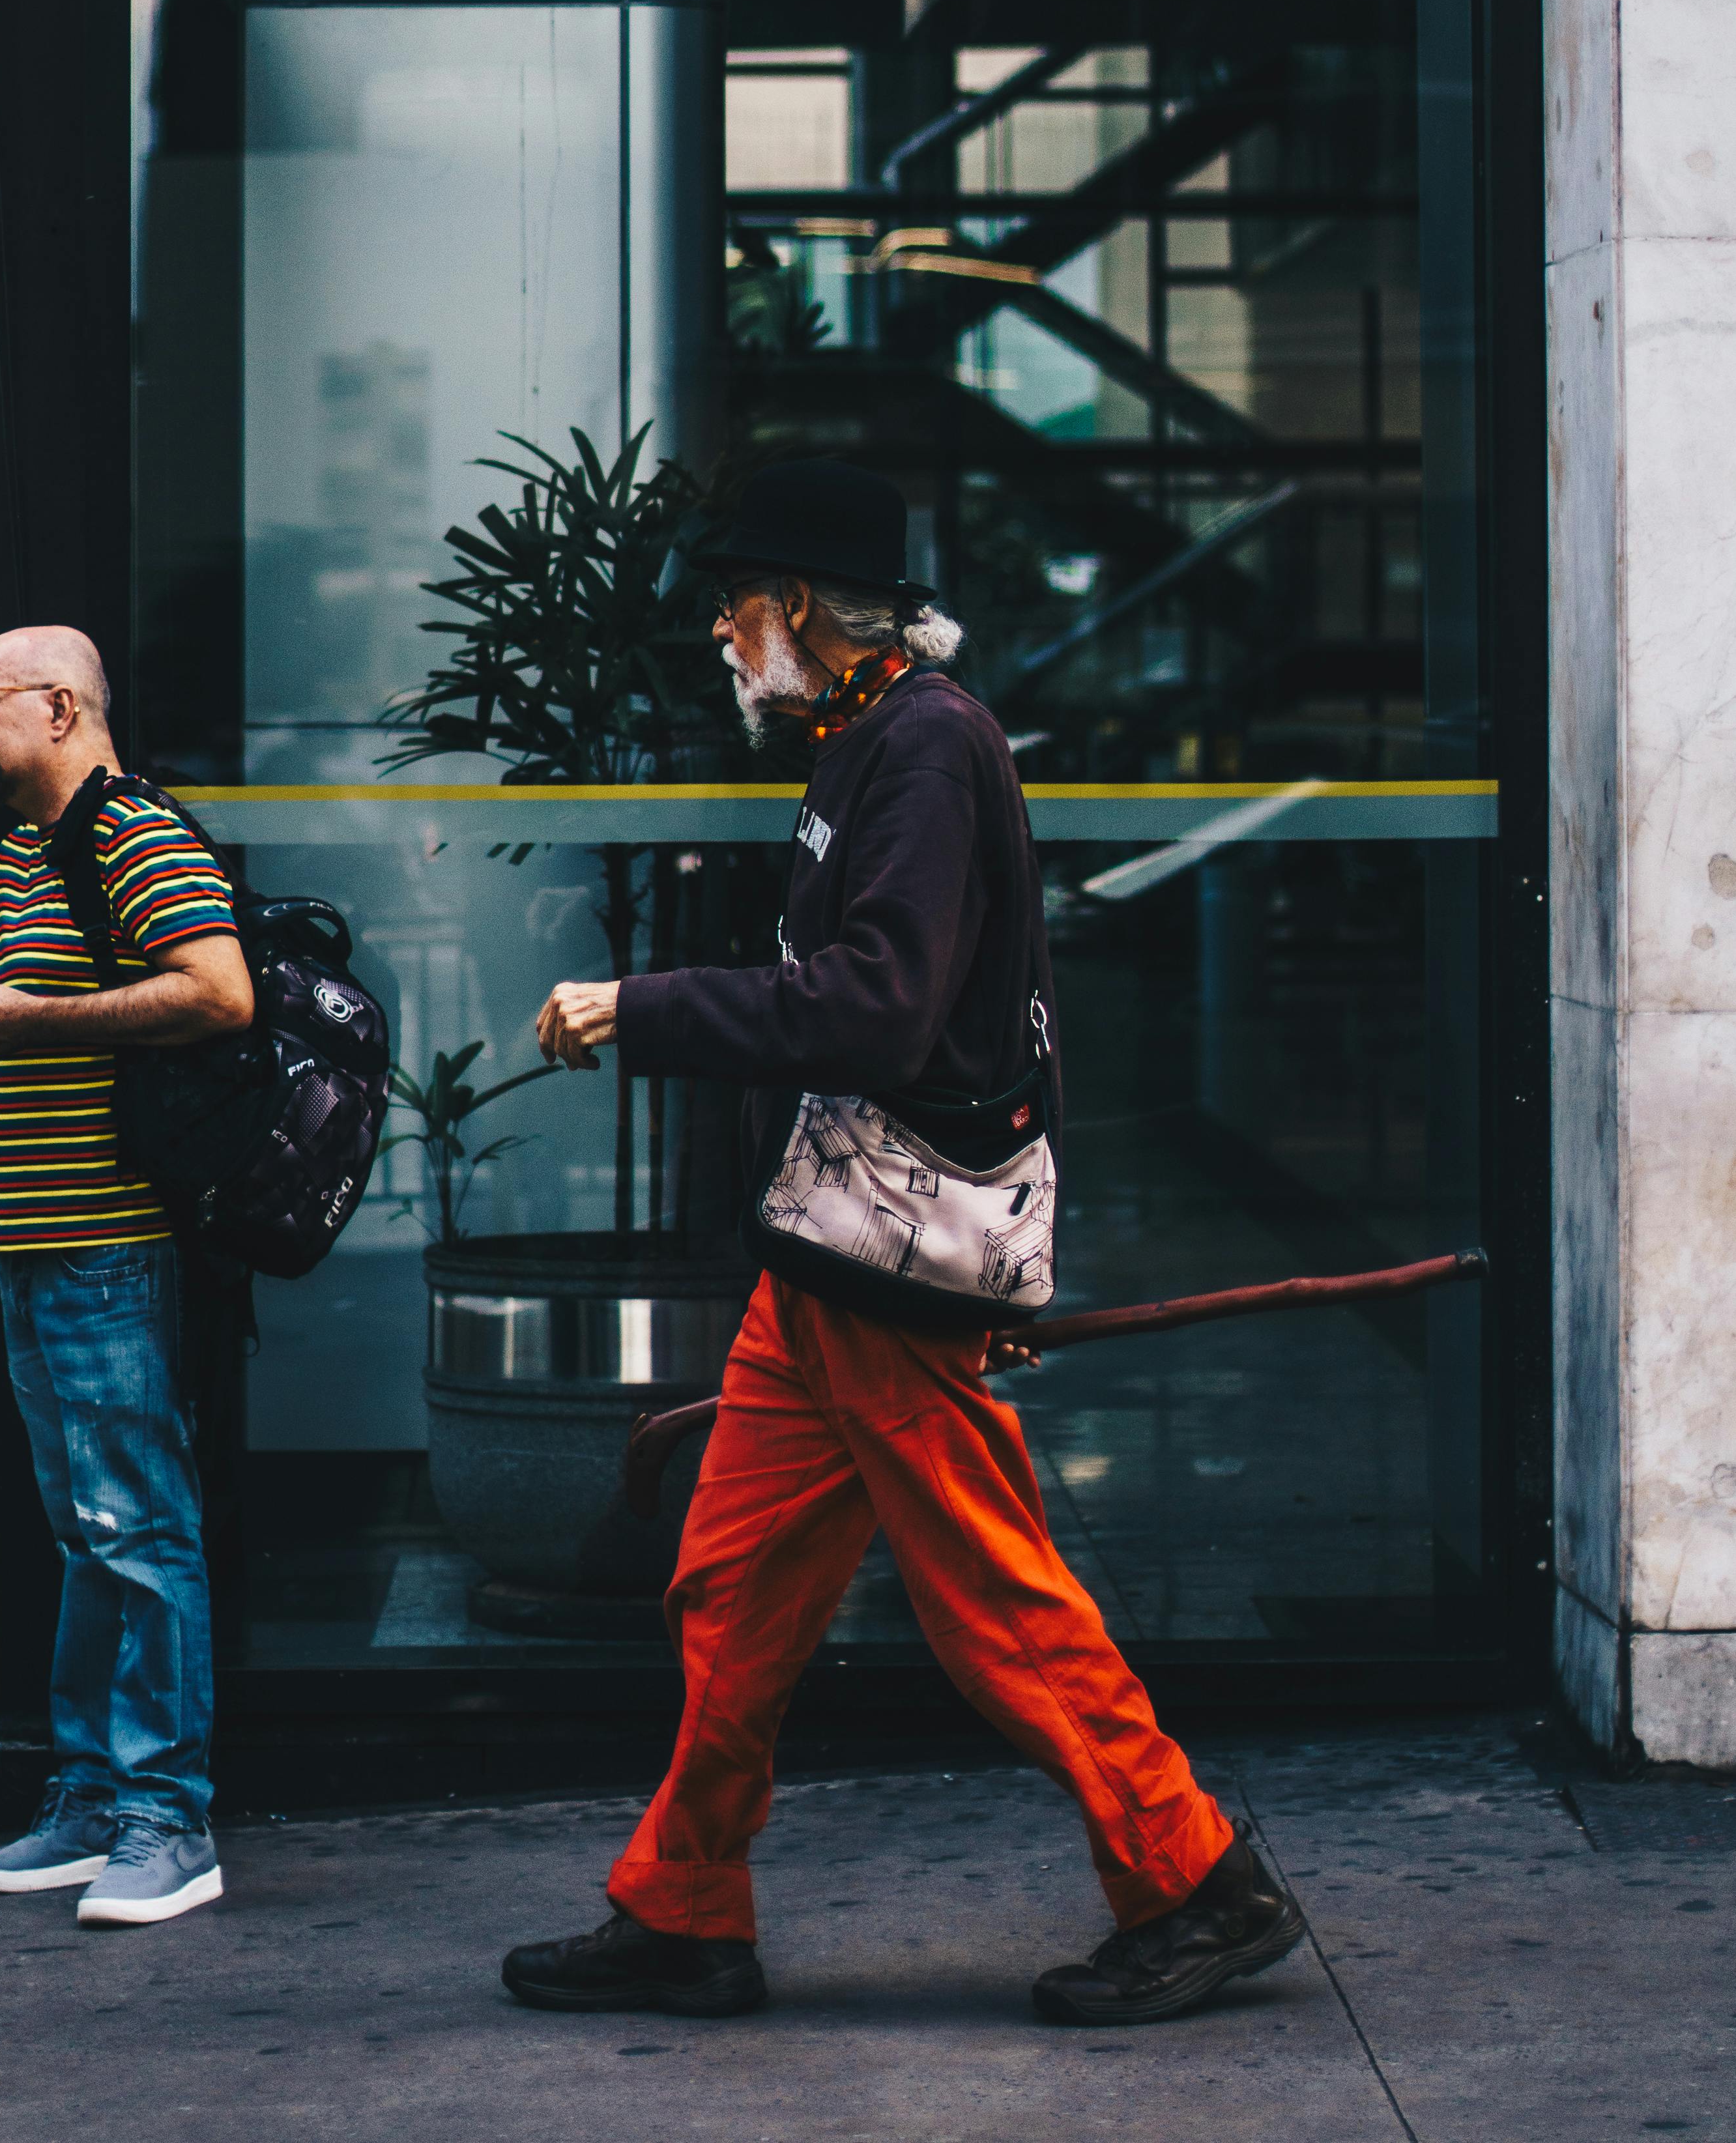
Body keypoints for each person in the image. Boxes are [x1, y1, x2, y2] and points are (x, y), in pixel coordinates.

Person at [500, 459, 1305, 2030]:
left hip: (877, 1270)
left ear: (798, 605)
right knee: (727, 1592)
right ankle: (683, 1910)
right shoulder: (868, 740)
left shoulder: (921, 750)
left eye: (736, 605)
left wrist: (642, 1005)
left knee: (999, 1607)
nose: (722, 635)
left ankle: (1196, 1880)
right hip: (829, 1259)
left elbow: (878, 1005)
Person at [0, 626, 252, 1927]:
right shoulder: (20, 852)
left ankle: (167, 1817)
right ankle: (90, 1799)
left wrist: (36, 1020)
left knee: (139, 1526)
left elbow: (221, 991)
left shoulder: (131, 835)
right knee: (87, 1532)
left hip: (109, 1244)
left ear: (59, 704)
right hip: (31, 1248)